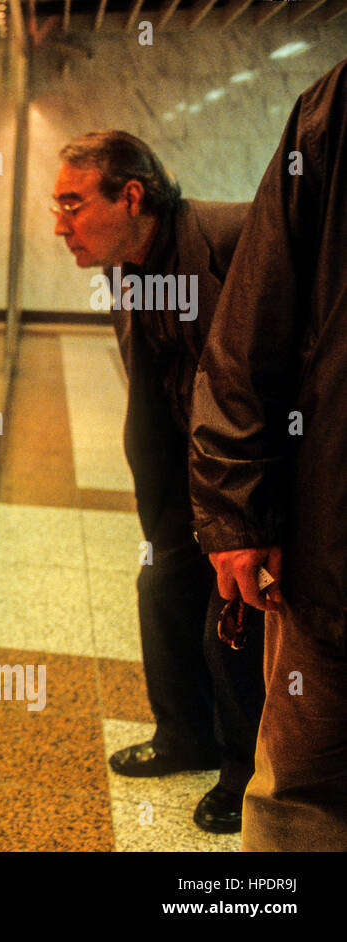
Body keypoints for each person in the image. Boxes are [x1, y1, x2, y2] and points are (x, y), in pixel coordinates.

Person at [52, 130, 264, 833]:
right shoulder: (124, 264)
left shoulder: (235, 236)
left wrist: (249, 506)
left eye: (72, 205)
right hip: (180, 462)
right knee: (161, 584)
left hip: (247, 468)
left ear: (131, 196)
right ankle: (184, 736)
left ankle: (244, 773)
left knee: (229, 618)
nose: (61, 225)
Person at [189, 59, 347, 851]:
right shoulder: (339, 105)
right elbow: (253, 327)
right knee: (301, 790)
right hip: (333, 548)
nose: (59, 224)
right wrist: (235, 511)